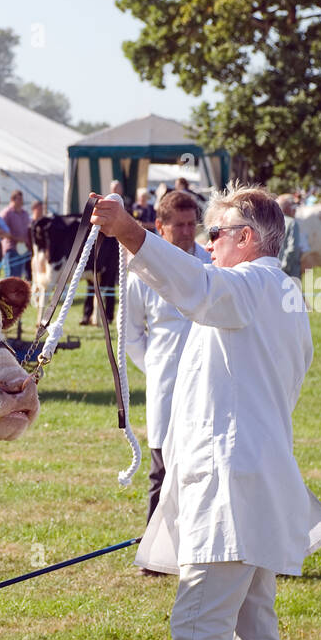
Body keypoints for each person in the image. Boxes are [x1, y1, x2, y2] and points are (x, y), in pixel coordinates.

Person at [89, 183, 321, 640]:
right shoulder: (278, 292)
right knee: (254, 638)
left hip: (231, 492)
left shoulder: (252, 286)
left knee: (198, 633)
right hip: (247, 488)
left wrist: (131, 234)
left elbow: (199, 288)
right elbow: (201, 294)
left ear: (248, 238)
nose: (207, 245)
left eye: (217, 234)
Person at [122, 189, 210, 534]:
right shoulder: (142, 274)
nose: (188, 231)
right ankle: (156, 547)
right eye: (180, 225)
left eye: (192, 224)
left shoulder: (212, 266)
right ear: (160, 226)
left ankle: (202, 539)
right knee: (162, 468)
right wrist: (157, 366)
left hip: (209, 379)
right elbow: (130, 335)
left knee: (205, 463)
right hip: (167, 379)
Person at [276, 193, 309, 280]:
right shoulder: (292, 223)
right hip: (289, 271)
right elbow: (293, 248)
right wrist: (284, 268)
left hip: (273, 270)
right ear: (288, 208)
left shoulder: (271, 223)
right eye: (293, 207)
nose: (295, 210)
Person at [0, 190, 32, 281]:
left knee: (20, 277)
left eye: (22, 199)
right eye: (19, 199)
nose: (22, 202)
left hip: (24, 249)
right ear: (12, 199)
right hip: (11, 249)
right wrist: (16, 238)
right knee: (11, 278)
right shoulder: (6, 213)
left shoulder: (25, 214)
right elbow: (1, 231)